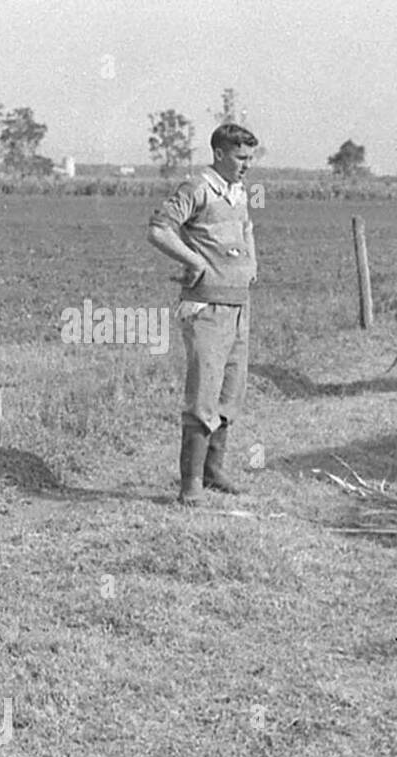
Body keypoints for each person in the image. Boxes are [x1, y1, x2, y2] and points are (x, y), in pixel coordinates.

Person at [146, 123, 259, 505]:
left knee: (231, 393)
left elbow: (247, 228)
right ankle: (190, 484)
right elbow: (159, 230)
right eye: (241, 158)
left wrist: (252, 263)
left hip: (239, 306)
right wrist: (193, 260)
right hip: (206, 308)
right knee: (203, 396)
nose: (247, 165)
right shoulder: (197, 188)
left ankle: (213, 470)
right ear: (220, 154)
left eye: (250, 158)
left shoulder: (239, 191)